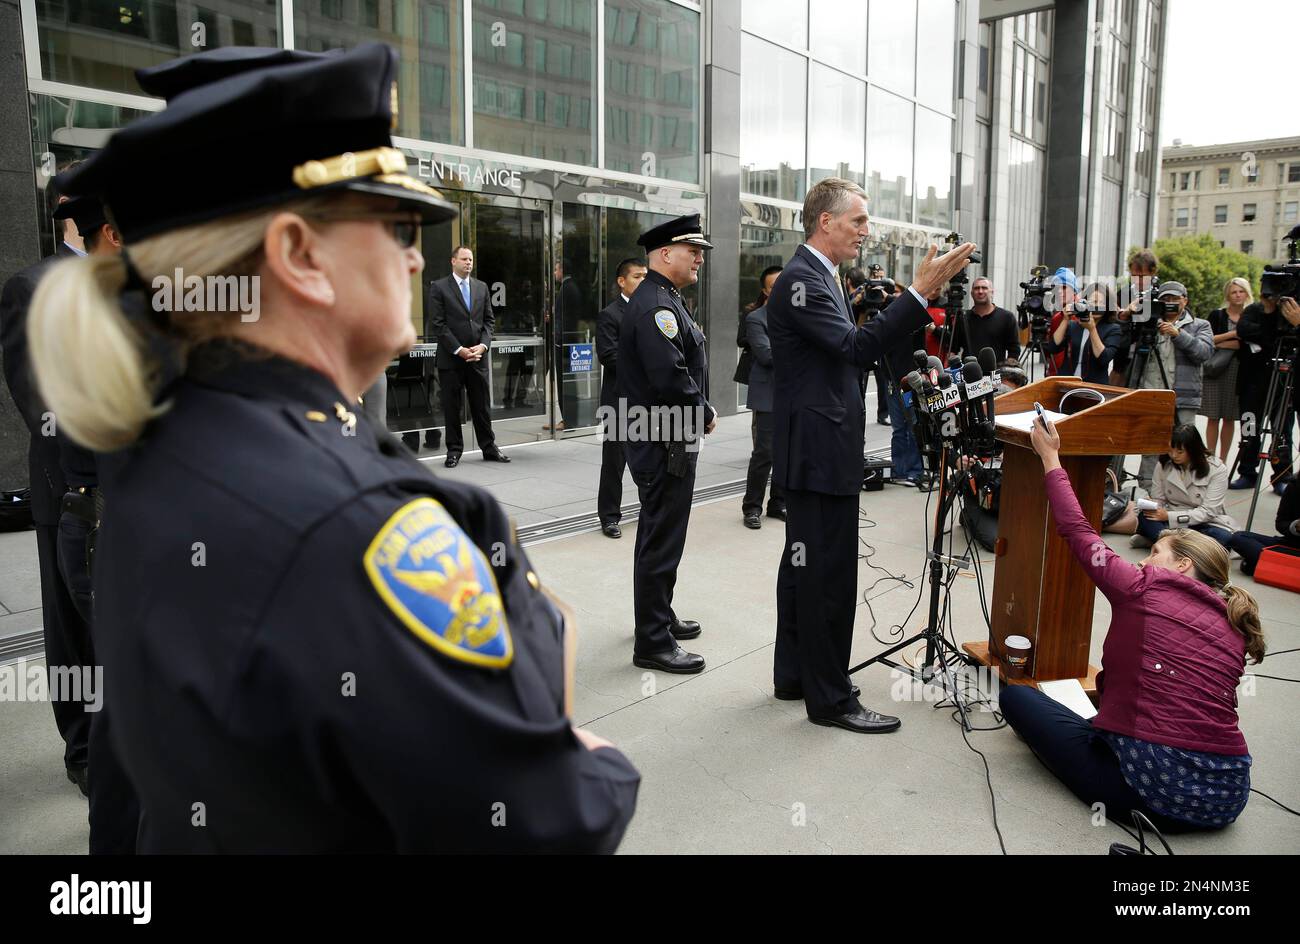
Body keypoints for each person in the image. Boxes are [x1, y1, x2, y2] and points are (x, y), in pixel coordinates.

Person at [26, 43, 639, 853]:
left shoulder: (167, 434)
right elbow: (544, 821)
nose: (418, 254)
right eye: (395, 225)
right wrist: (598, 763)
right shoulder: (354, 527)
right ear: (298, 256)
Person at [767, 176, 975, 733]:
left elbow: (844, 357)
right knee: (826, 578)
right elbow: (855, 347)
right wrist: (919, 292)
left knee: (802, 571)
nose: (866, 231)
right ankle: (831, 700)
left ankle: (796, 675)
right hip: (817, 454)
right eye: (858, 221)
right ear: (825, 222)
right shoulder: (801, 280)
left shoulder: (821, 275)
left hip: (817, 449)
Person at [1002, 414, 1263, 833]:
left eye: (1156, 551)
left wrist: (1050, 457)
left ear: (1182, 564)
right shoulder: (1233, 619)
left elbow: (1078, 530)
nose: (1145, 559)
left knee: (1018, 699)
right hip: (1226, 798)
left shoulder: (1141, 586)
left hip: (1150, 793)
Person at [0, 178, 95, 799]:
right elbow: (41, 402)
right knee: (71, 628)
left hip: (129, 492)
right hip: (68, 489)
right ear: (72, 213)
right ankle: (83, 746)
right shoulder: (32, 289)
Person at [617, 214, 715, 674]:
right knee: (661, 539)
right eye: (691, 249)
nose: (699, 257)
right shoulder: (655, 304)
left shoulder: (664, 297)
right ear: (663, 254)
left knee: (660, 534)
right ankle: (652, 642)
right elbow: (669, 374)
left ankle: (660, 617)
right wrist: (705, 410)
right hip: (664, 438)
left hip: (664, 435)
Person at [426, 246, 511, 467]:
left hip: (477, 357)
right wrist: (459, 349)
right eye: (464, 259)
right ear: (453, 261)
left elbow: (488, 322)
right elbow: (438, 324)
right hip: (451, 359)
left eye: (471, 259)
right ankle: (454, 451)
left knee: (481, 406)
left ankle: (489, 448)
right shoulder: (439, 287)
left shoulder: (481, 287)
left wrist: (483, 346)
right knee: (452, 407)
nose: (468, 263)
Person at [1133, 281, 1214, 492]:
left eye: (1174, 299)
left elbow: (1204, 353)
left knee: (1185, 446)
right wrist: (1131, 316)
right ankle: (1149, 489)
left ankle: (1188, 488)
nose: (1170, 303)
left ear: (1185, 301)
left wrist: (1178, 334)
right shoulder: (1148, 323)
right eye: (1165, 299)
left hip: (1184, 397)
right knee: (1151, 445)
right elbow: (1129, 352)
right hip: (1152, 394)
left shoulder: (1200, 325)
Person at [595, 258, 646, 538]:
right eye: (637, 276)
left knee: (647, 459)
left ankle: (648, 508)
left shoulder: (651, 311)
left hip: (648, 402)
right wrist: (649, 365)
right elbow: (609, 356)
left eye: (645, 276)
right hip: (618, 402)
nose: (642, 281)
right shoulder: (610, 315)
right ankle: (610, 517)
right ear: (622, 281)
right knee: (614, 462)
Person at [1230, 293, 1300, 494]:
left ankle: (1282, 476)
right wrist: (1268, 314)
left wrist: (1265, 333)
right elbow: (1243, 331)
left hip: (1282, 383)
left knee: (1283, 432)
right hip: (1252, 383)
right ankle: (1247, 472)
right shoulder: (1254, 310)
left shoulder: (1293, 311)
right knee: (1249, 427)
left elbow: (1282, 337)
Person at [1133, 424, 1237, 549]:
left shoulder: (1216, 469)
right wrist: (1153, 506)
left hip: (1204, 522)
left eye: (1180, 451)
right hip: (1171, 518)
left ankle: (1162, 543)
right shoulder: (1164, 464)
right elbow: (1159, 498)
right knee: (1145, 517)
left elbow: (1208, 512)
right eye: (1170, 450)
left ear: (1193, 449)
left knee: (1224, 538)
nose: (1174, 455)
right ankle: (1182, 547)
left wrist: (1169, 516)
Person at [740, 266, 785, 529]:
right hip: (768, 393)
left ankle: (778, 503)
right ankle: (752, 507)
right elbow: (766, 355)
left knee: (787, 453)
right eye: (774, 286)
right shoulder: (756, 318)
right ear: (766, 291)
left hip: (793, 394)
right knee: (764, 453)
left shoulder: (799, 316)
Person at [1200, 278, 1248, 461]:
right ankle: (1210, 459)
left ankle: (1223, 460)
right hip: (1215, 369)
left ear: (1247, 293)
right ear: (1228, 294)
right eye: (1234, 291)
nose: (1237, 295)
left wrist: (1224, 342)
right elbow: (1208, 339)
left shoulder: (1250, 315)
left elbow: (1247, 345)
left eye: (1241, 291)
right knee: (1213, 416)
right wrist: (1234, 335)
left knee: (1229, 417)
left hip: (1238, 370)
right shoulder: (1217, 315)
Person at [1041, 286, 1124, 384]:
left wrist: (1092, 329)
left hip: (1094, 385)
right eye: (1093, 301)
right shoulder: (1074, 325)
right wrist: (1065, 319)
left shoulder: (1113, 329)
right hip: (1066, 382)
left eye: (1101, 303)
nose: (1096, 306)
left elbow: (1103, 358)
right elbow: (1053, 348)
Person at [844, 265, 892, 425]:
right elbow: (848, 313)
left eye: (881, 276)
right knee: (860, 382)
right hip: (862, 340)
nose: (878, 280)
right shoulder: (861, 293)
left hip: (880, 342)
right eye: (875, 276)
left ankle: (883, 413)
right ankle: (859, 413)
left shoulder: (886, 293)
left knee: (883, 380)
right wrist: (858, 301)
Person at [1225, 480, 1300, 576]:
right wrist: (1295, 526)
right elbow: (1281, 523)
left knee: (1249, 566)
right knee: (1239, 537)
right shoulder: (1294, 486)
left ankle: (1269, 565)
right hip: (1290, 545)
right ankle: (1284, 567)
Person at [1111, 247, 1160, 385]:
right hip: (1123, 357)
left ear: (1152, 272)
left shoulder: (1161, 294)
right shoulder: (1123, 293)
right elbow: (1113, 325)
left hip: (1152, 356)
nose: (1137, 281)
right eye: (1134, 276)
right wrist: (1124, 315)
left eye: (1141, 276)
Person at [950, 276, 1021, 365]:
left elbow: (1014, 350)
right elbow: (953, 349)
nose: (980, 291)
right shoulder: (962, 318)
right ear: (972, 293)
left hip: (996, 374)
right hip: (968, 373)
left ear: (992, 292)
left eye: (984, 288)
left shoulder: (1007, 317)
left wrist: (1006, 373)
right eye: (976, 288)